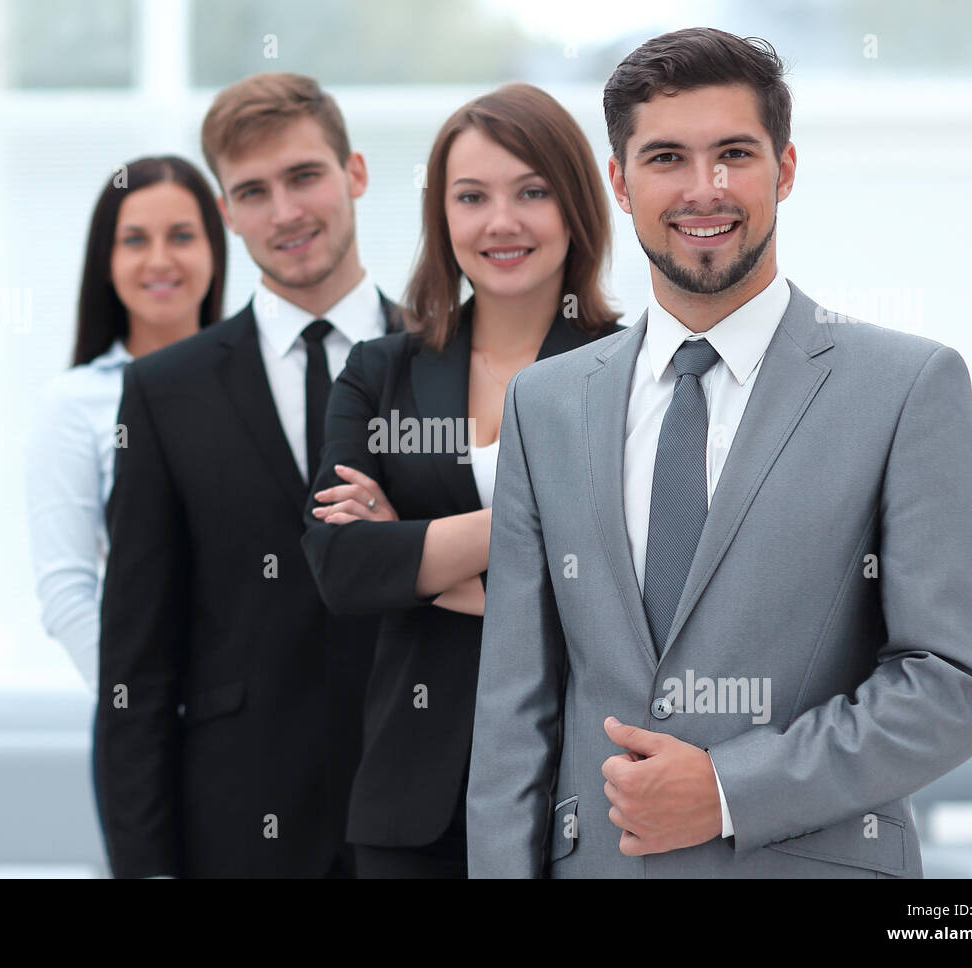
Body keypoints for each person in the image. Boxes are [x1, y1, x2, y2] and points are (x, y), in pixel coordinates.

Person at [466, 27, 972, 877]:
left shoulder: (908, 388)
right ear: (619, 182)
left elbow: (957, 685)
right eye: (666, 159)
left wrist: (728, 789)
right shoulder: (545, 403)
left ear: (784, 169)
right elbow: (514, 711)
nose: (703, 189)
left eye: (733, 153)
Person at [301, 83, 622, 878]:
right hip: (414, 804)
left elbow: (634, 579)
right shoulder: (380, 372)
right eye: (471, 196)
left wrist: (414, 559)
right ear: (442, 217)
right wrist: (539, 535)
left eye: (533, 192)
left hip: (583, 792)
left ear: (576, 206)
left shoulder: (634, 370)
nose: (501, 222)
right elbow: (343, 568)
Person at [93, 73, 403, 878]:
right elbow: (137, 657)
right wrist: (143, 864)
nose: (286, 212)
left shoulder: (451, 360)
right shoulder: (164, 394)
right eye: (253, 192)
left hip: (430, 817)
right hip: (237, 827)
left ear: (355, 173)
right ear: (226, 214)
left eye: (304, 176)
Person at [26, 156, 226, 693]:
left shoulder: (264, 376)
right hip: (150, 709)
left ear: (215, 249)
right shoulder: (74, 402)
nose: (159, 260)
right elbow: (67, 591)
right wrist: (136, 706)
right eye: (135, 240)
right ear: (106, 260)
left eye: (182, 236)